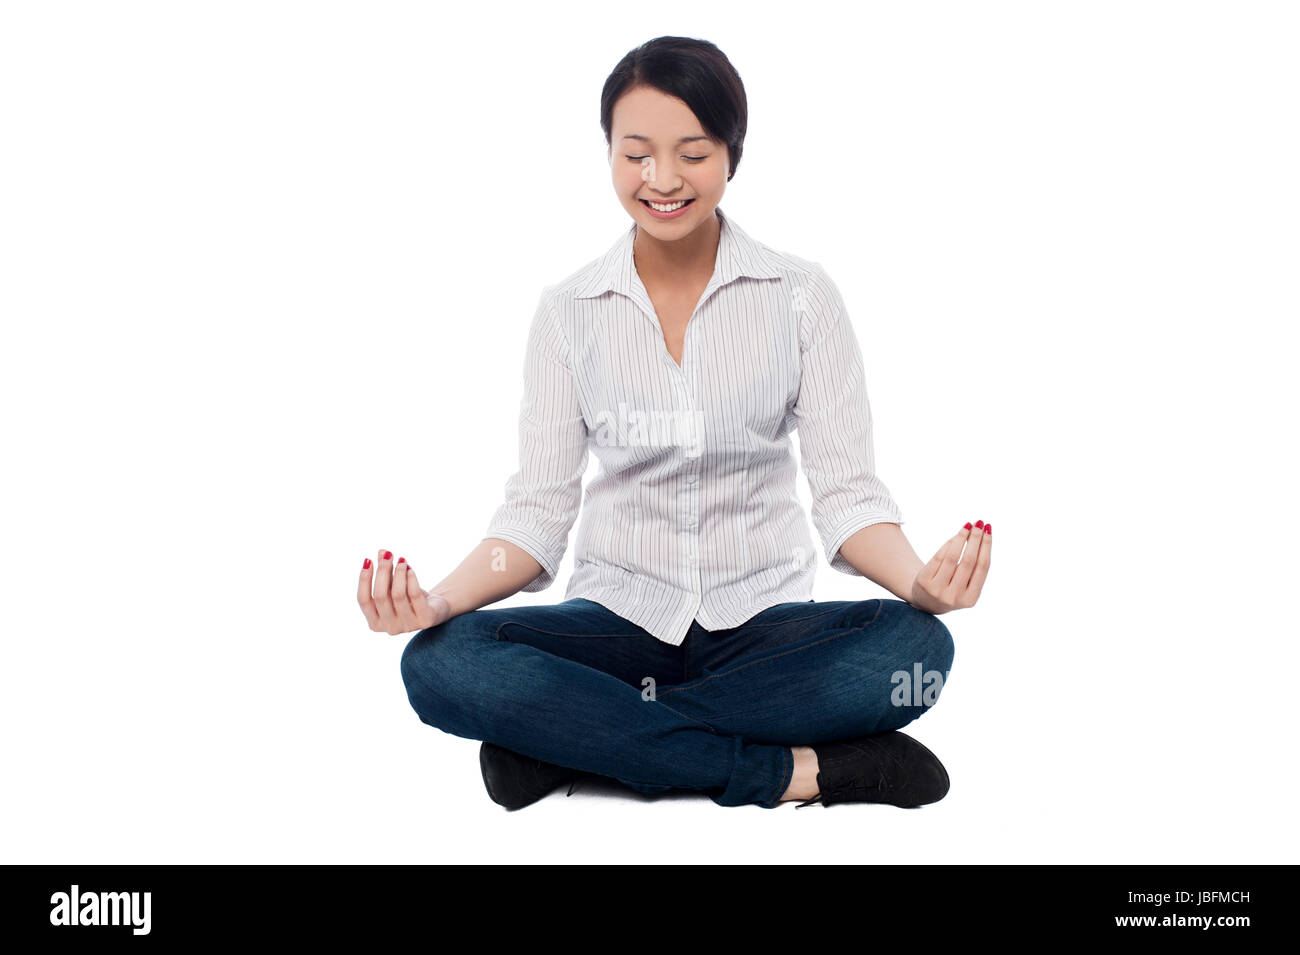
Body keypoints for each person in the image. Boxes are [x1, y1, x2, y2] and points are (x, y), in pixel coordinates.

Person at [357, 36, 992, 810]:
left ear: (732, 153)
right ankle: (795, 771)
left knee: (916, 649)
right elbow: (537, 513)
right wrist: (439, 602)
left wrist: (920, 580)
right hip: (617, 626)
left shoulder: (801, 297)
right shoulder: (569, 313)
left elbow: (848, 495)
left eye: (692, 152)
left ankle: (569, 744)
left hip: (762, 628)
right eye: (636, 155)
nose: (663, 180)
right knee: (438, 662)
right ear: (610, 156)